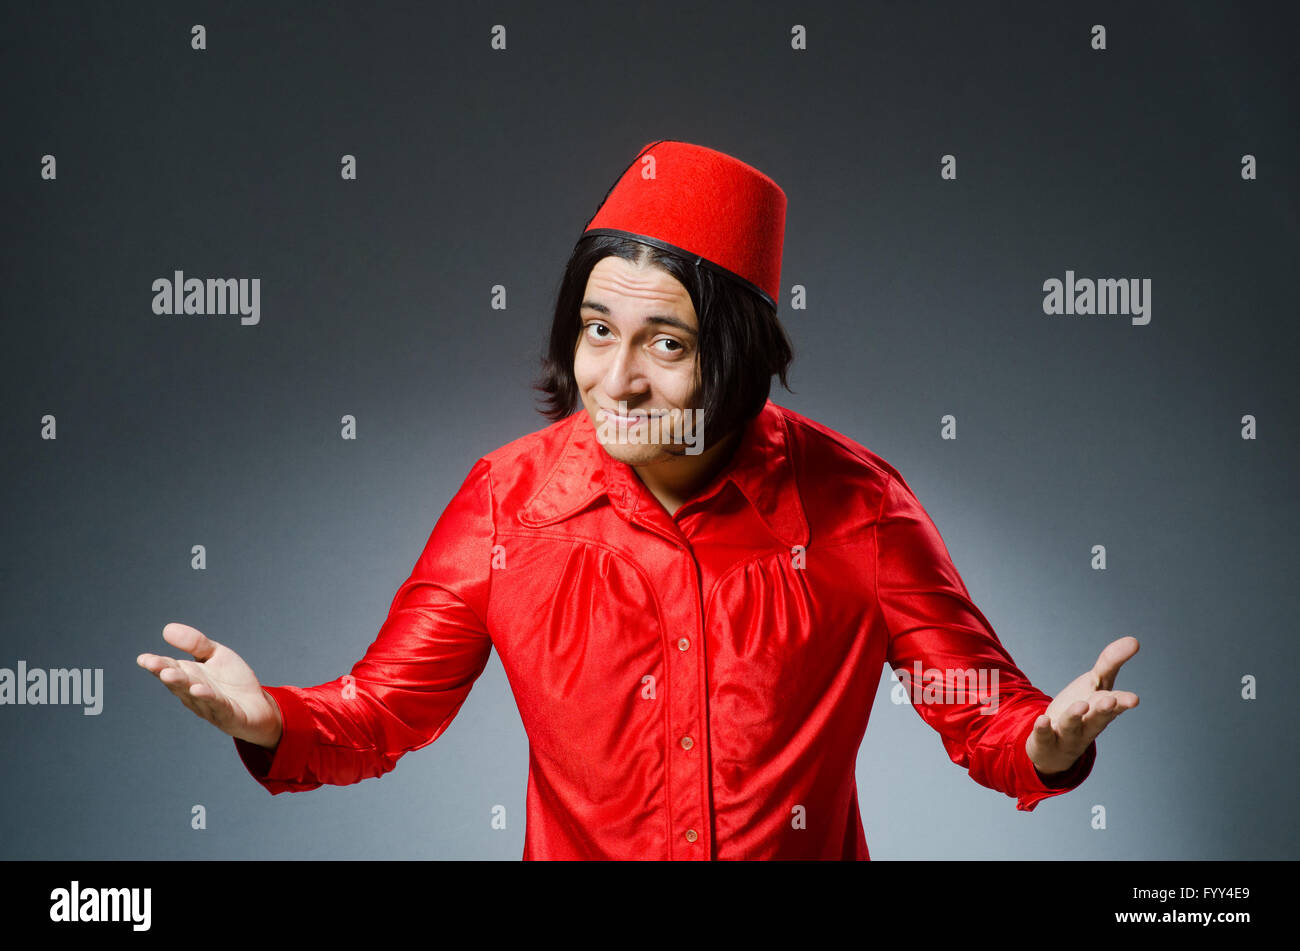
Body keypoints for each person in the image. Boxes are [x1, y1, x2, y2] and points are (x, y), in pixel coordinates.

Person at [138, 139, 1139, 860]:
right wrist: (269, 718)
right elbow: (384, 711)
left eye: (665, 343)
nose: (613, 380)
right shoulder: (505, 502)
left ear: (734, 354)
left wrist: (1044, 744)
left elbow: (984, 717)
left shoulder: (856, 508)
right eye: (594, 331)